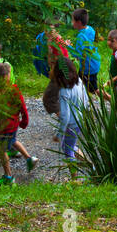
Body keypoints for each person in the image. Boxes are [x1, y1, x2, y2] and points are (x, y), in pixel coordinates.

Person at [0, 62, 37, 183]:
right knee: (13, 140)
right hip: (13, 125)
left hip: (1, 127)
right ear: (8, 75)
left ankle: (8, 177)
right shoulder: (14, 89)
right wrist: (24, 122)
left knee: (2, 151)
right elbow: (23, 108)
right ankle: (29, 158)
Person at [48, 30, 87, 162]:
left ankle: (75, 179)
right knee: (70, 146)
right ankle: (89, 165)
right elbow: (86, 101)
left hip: (71, 124)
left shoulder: (64, 90)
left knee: (67, 152)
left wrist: (59, 134)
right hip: (80, 121)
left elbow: (64, 116)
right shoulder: (79, 81)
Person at [71, 8, 104, 101]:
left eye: (73, 20)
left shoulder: (80, 36)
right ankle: (81, 101)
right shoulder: (90, 29)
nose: (72, 22)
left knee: (93, 89)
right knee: (79, 83)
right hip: (93, 63)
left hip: (88, 68)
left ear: (78, 22)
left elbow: (77, 55)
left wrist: (67, 46)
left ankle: (112, 100)